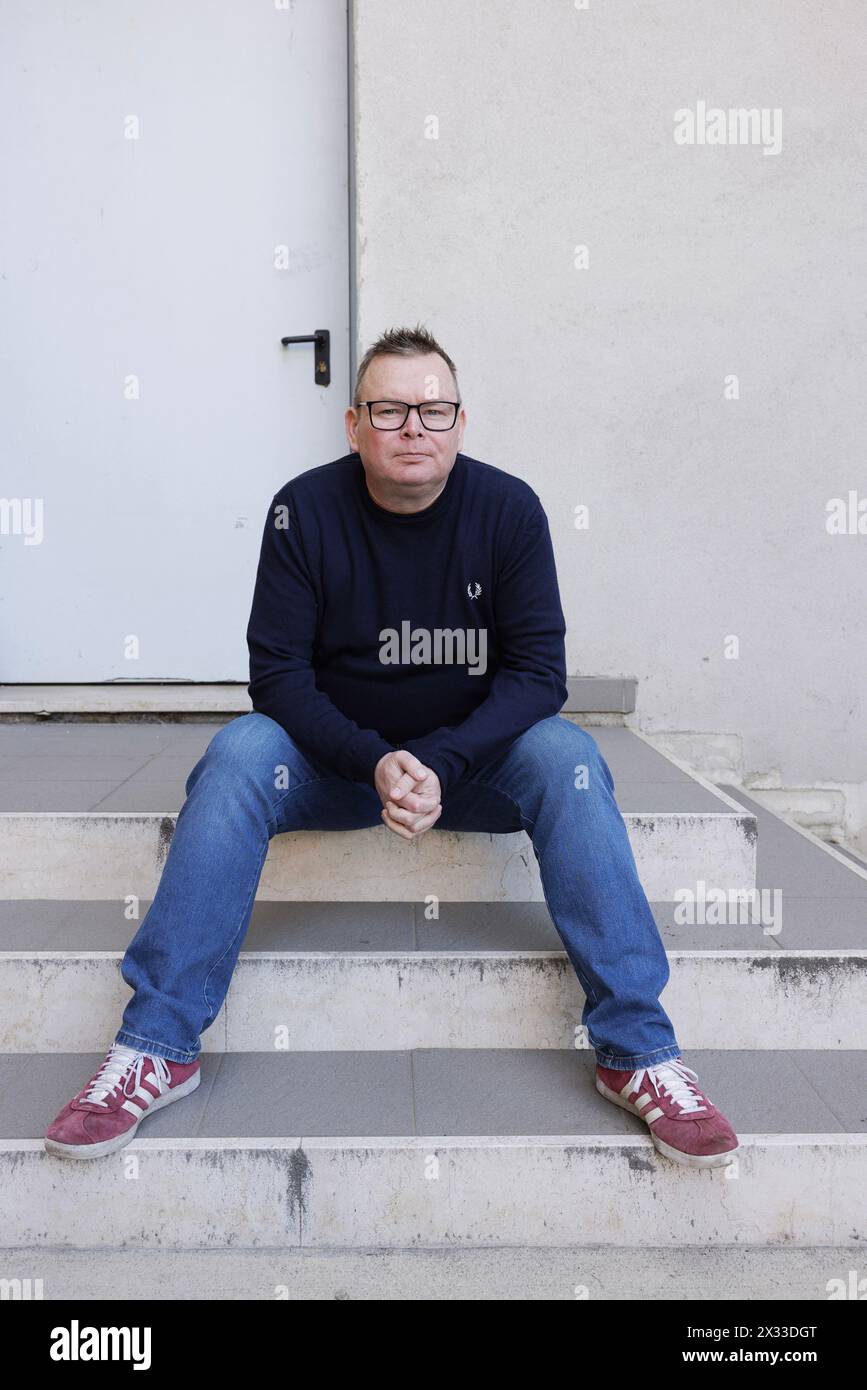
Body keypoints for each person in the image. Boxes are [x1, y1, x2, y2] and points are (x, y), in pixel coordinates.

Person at [44, 324, 738, 1169]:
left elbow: (538, 675)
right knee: (235, 753)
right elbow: (279, 677)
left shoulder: (508, 509)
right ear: (353, 425)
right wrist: (374, 760)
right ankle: (157, 1045)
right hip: (332, 769)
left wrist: (441, 762)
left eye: (433, 409)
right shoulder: (303, 508)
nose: (414, 427)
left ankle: (639, 1054)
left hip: (473, 770)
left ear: (460, 421)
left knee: (569, 758)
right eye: (390, 409)